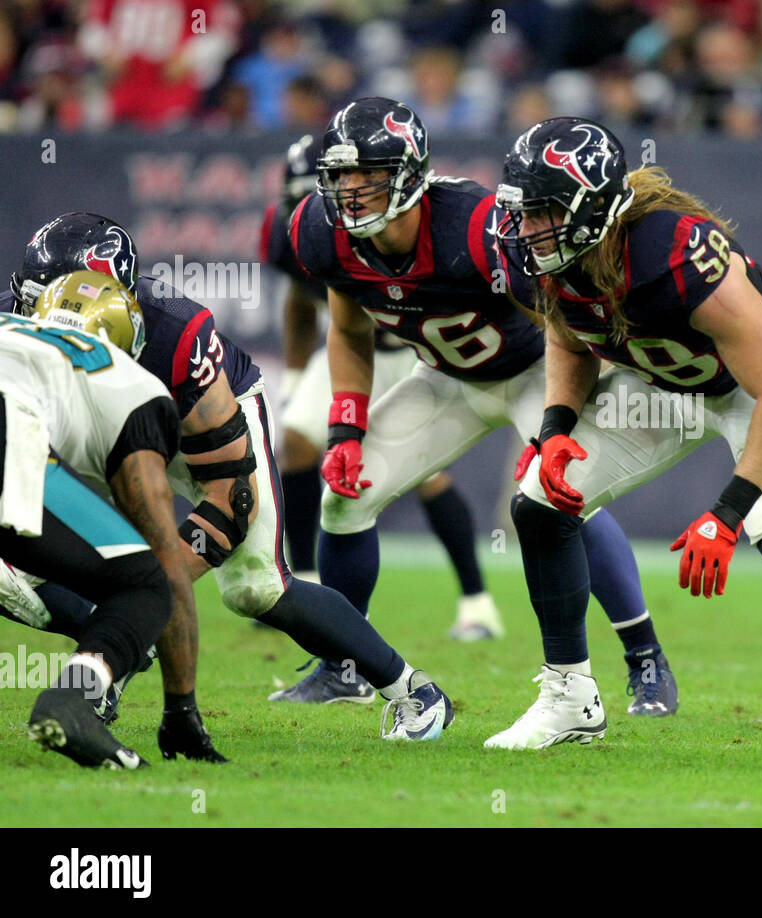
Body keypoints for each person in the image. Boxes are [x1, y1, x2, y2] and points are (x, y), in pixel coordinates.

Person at [487, 117, 762, 763]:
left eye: (545, 211)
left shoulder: (674, 251)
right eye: (524, 212)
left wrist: (726, 517)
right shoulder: (544, 257)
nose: (527, 228)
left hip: (760, 386)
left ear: (592, 208)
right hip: (661, 385)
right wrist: (556, 430)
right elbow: (567, 335)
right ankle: (569, 698)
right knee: (539, 504)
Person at [287, 97, 679, 717]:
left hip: (532, 373)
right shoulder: (321, 232)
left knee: (564, 496)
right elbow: (349, 331)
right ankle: (344, 664)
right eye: (340, 175)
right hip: (445, 380)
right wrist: (345, 424)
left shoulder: (476, 226)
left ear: (409, 172)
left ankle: (645, 658)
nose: (349, 190)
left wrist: (560, 424)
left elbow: (561, 326)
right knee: (345, 496)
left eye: (367, 173)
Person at [6, 218, 451, 741]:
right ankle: (112, 651)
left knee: (256, 588)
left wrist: (156, 582)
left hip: (196, 435)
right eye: (36, 304)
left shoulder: (177, 340)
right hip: (103, 426)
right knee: (20, 562)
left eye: (67, 311)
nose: (42, 323)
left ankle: (412, 689)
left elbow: (232, 498)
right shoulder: (12, 331)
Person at [264, 133, 507, 646]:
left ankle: (476, 601)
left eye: (360, 185)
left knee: (426, 477)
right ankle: (305, 586)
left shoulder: (439, 225)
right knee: (301, 444)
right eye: (333, 188)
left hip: (407, 351)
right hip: (347, 349)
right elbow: (303, 305)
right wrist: (292, 378)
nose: (347, 202)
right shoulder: (303, 232)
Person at [0, 282, 193, 768]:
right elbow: (164, 556)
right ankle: (72, 702)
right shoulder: (131, 382)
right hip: (9, 427)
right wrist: (180, 707)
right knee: (145, 584)